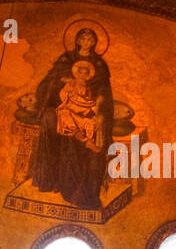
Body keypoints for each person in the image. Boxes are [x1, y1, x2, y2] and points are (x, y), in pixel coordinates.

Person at [29, 28, 113, 208]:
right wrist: (63, 84)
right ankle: (55, 179)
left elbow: (104, 93)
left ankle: (84, 190)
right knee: (54, 120)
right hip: (66, 109)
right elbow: (49, 83)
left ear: (94, 42)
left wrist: (97, 107)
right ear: (77, 40)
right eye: (83, 37)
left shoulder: (99, 65)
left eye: (90, 38)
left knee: (95, 131)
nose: (87, 41)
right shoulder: (65, 60)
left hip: (87, 111)